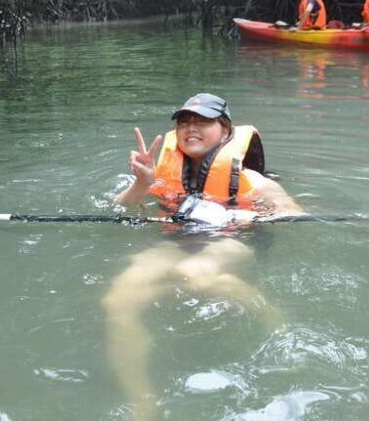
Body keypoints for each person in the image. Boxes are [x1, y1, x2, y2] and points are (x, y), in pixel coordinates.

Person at [104, 93, 304, 420]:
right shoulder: (161, 174)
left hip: (231, 241)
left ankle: (269, 312)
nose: (190, 129)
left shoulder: (253, 181)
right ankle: (141, 399)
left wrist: (253, 216)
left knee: (193, 272)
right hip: (177, 240)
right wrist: (141, 183)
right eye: (184, 122)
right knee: (119, 297)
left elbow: (296, 218)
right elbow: (119, 208)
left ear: (225, 131)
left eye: (202, 122)